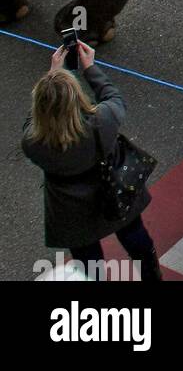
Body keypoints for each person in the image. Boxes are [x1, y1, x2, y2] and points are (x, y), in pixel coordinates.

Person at [22, 40, 162, 281]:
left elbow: (31, 123)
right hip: (112, 191)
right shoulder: (102, 121)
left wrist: (52, 78)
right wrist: (90, 69)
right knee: (135, 236)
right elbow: (113, 96)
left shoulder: (34, 143)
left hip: (70, 210)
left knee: (89, 262)